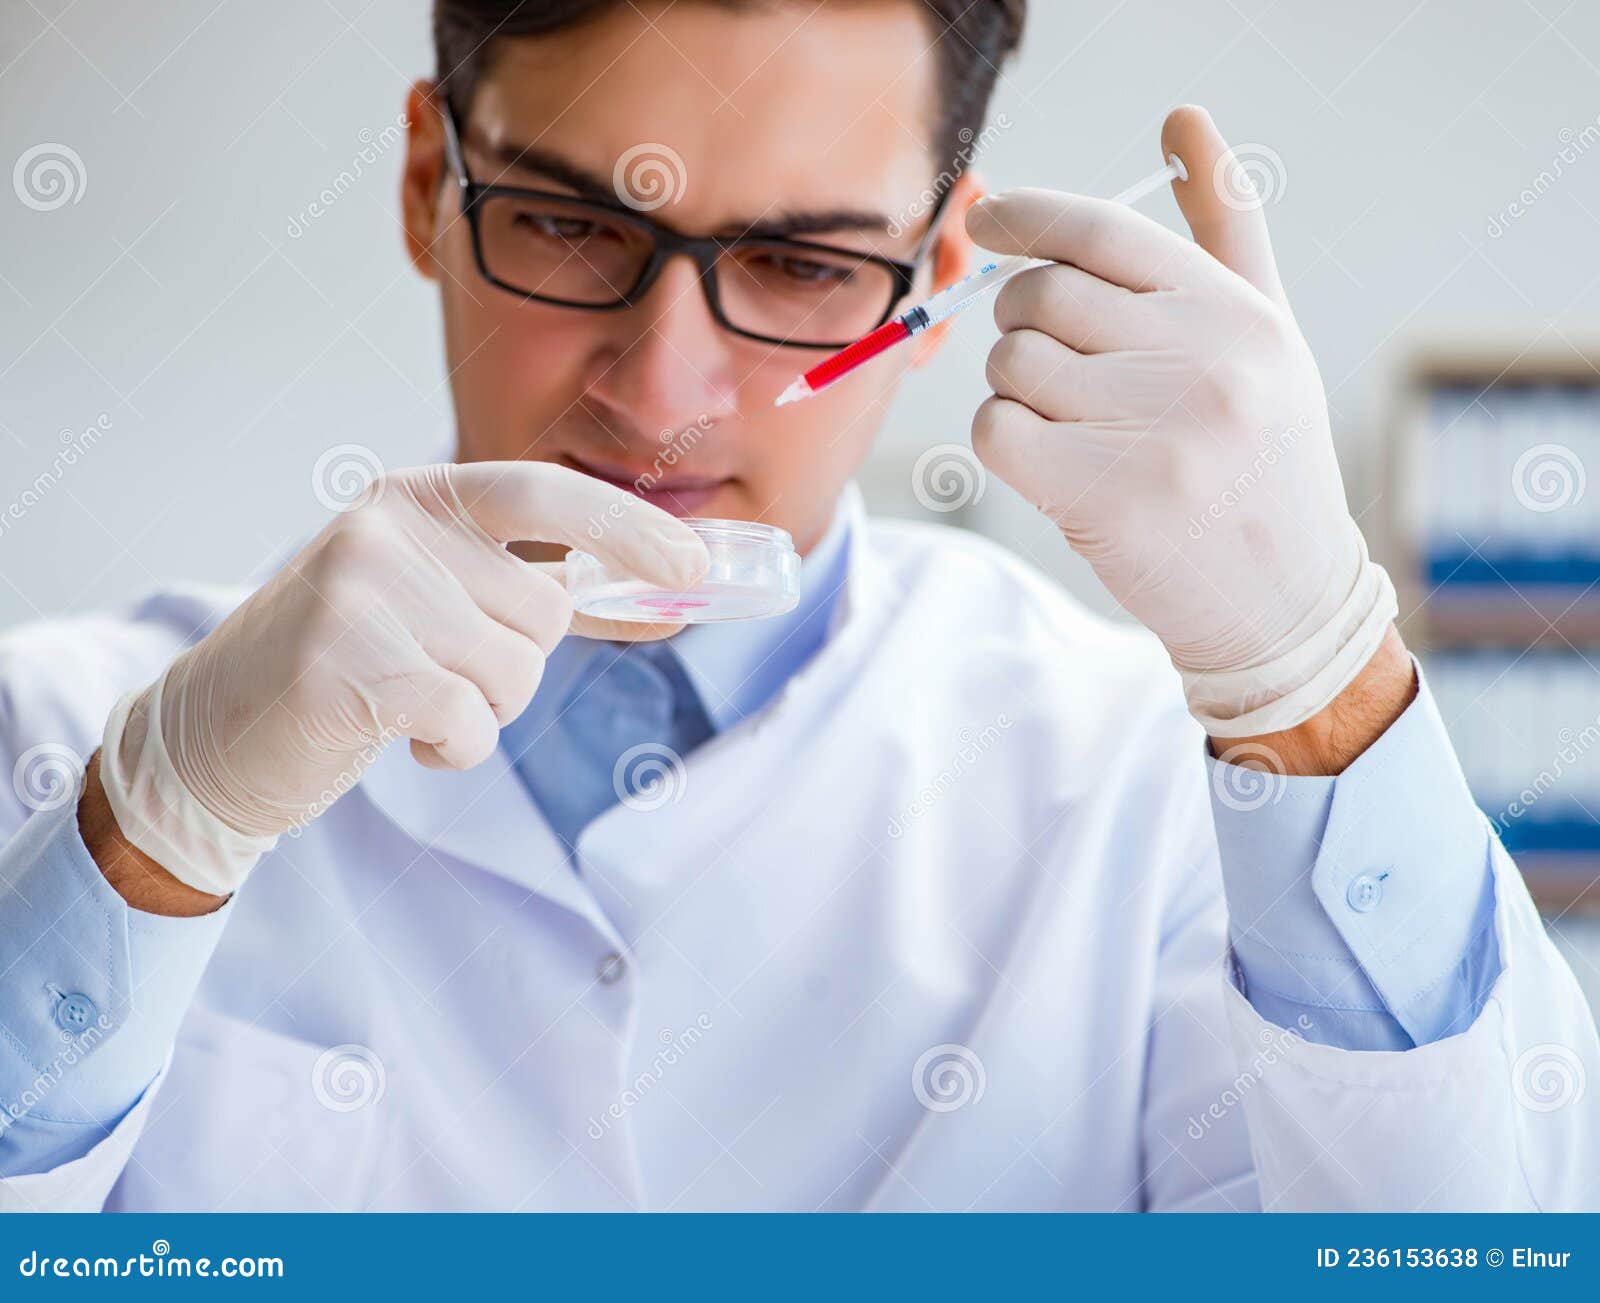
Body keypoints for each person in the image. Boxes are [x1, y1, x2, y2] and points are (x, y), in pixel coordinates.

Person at [1, 0, 1594, 1213]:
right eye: (572, 225)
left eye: (803, 266)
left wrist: (1317, 688)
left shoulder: (1155, 792)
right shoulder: (71, 741)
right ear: (431, 181)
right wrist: (150, 843)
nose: (663, 392)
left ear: (939, 271)